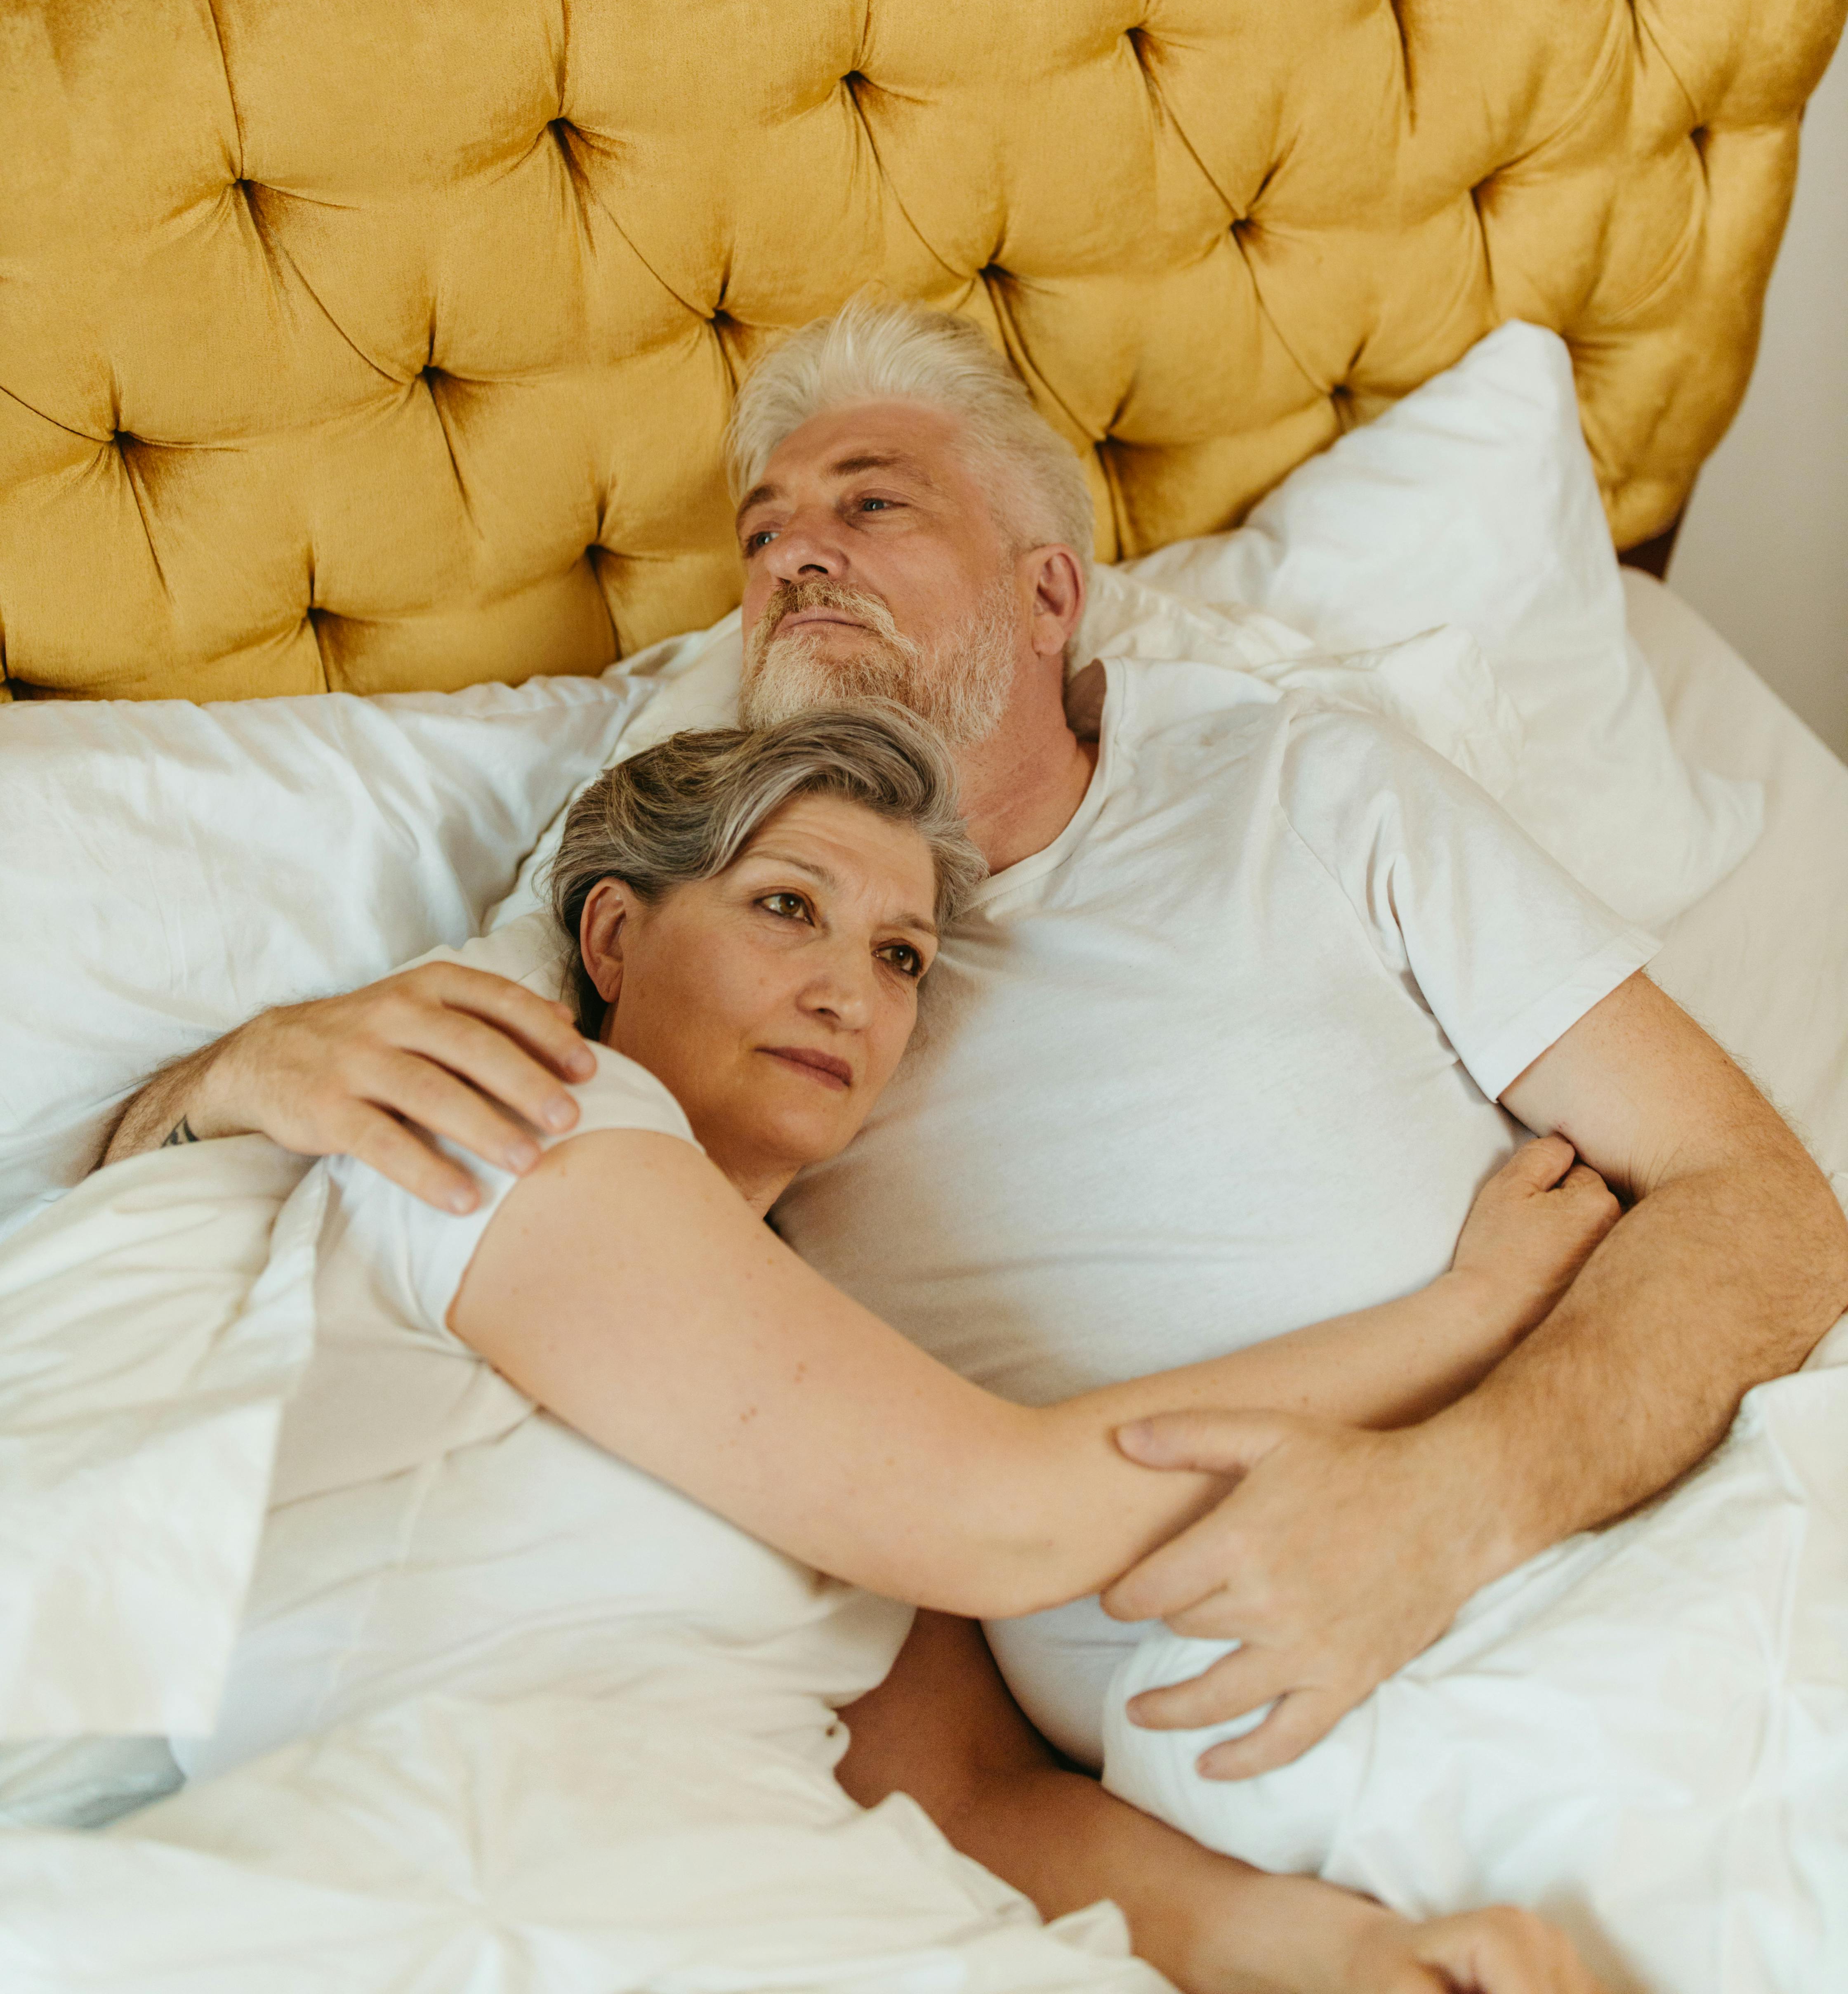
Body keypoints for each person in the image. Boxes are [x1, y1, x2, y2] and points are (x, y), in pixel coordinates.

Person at [101, 300, 1848, 1964]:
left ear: (1049, 593)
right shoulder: (700, 1076)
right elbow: (941, 1675)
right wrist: (224, 1077)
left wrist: (1461, 1498)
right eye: (766, 529)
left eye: (870, 503)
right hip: (1293, 1730)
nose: (794, 553)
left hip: (1658, 1520)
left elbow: (1762, 1206)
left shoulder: (1305, 784)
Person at [152, 703, 1613, 1994]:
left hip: (777, 1901)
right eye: (787, 908)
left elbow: (972, 1805)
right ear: (612, 935)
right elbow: (1006, 1517)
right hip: (448, 1864)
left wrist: (1345, 1953)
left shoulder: (841, 1350)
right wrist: (1469, 1313)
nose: (851, 991)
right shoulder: (536, 1122)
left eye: (901, 953)